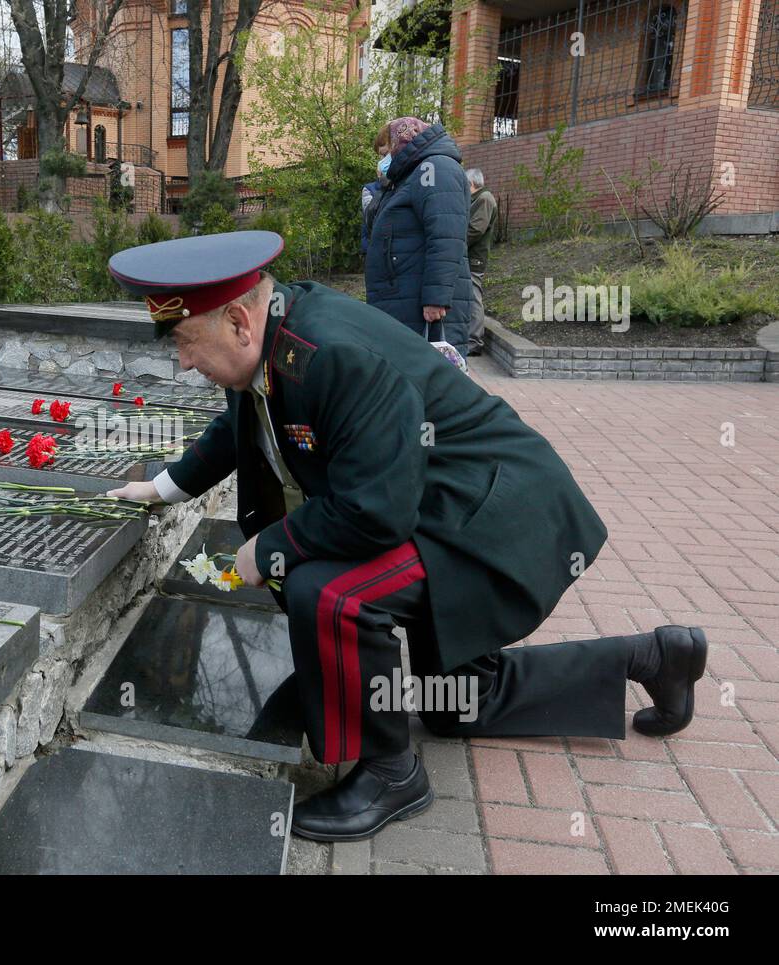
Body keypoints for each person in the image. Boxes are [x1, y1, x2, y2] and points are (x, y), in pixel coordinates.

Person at [105, 229, 709, 841]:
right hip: (446, 504)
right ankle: (655, 657)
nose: (182, 359)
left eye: (185, 340)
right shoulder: (275, 338)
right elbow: (242, 422)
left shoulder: (331, 354)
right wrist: (161, 489)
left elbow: (373, 513)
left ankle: (392, 774)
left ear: (237, 320)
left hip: (488, 516)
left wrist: (270, 548)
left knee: (329, 589)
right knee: (454, 704)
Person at [364, 117, 474, 358]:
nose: (383, 160)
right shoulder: (409, 176)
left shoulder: (436, 168)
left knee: (434, 386)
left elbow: (446, 236)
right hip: (405, 298)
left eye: (385, 152)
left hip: (425, 311)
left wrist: (436, 299)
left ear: (401, 143)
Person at [465, 168, 498, 357]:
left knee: (473, 298)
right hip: (471, 256)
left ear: (471, 183)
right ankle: (471, 339)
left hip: (474, 257)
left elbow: (475, 229)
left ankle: (474, 341)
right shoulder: (479, 199)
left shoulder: (484, 199)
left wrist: (456, 242)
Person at [359, 126, 390, 259]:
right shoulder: (370, 189)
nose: (383, 161)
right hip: (374, 251)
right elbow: (372, 218)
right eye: (381, 156)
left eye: (386, 155)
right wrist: (385, 184)